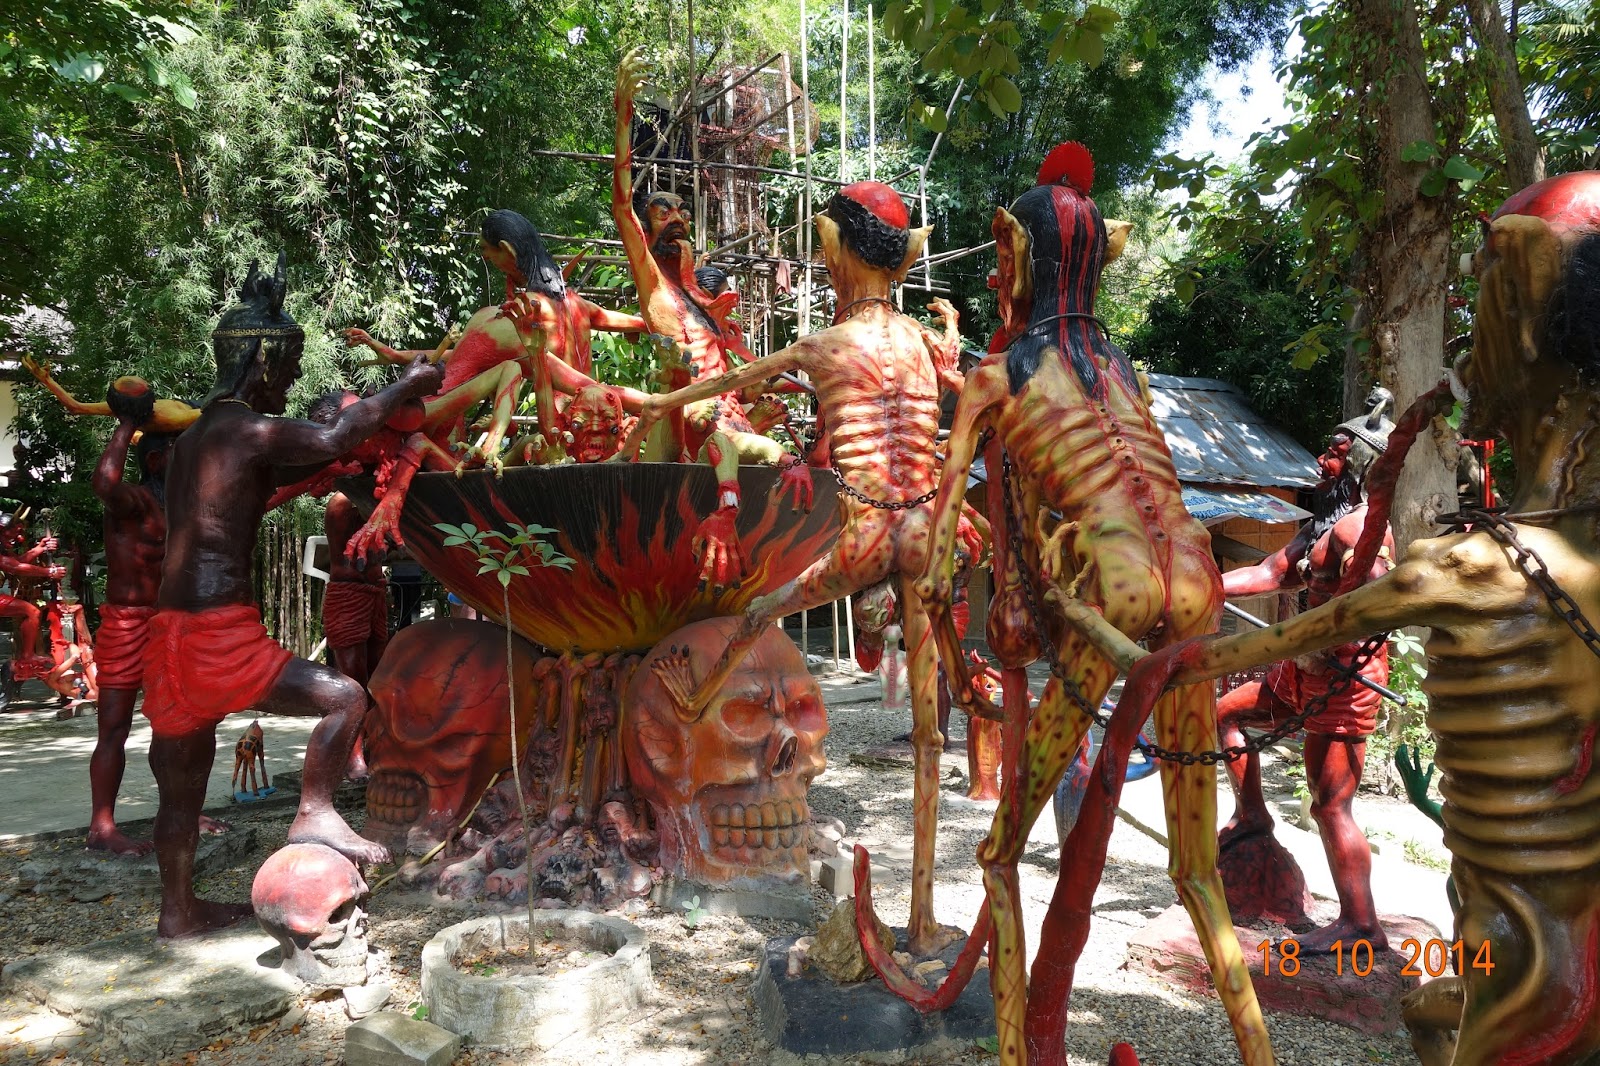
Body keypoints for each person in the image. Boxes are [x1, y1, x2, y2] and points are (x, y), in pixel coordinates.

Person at [618, 180, 978, 957]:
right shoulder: (920, 343)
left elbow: (721, 385)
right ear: (906, 262)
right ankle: (923, 917)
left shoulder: (822, 347)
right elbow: (968, 397)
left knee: (762, 613)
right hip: (925, 528)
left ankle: (701, 695)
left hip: (867, 533)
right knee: (926, 729)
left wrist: (649, 408)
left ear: (831, 248)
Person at [139, 254, 442, 937]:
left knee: (180, 786)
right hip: (218, 631)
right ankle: (314, 809)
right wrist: (406, 386)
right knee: (346, 698)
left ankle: (178, 910)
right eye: (292, 365)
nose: (297, 378)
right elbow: (336, 433)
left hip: (169, 636)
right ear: (263, 365)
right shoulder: (246, 428)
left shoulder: (193, 440)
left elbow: (312, 460)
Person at [1215, 389, 1397, 952]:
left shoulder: (1366, 530)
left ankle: (1360, 924)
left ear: (1362, 465)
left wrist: (1321, 641)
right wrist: (1205, 586)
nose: (1324, 460)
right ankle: (1252, 818)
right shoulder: (1326, 522)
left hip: (1342, 681)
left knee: (1331, 802)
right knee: (1223, 713)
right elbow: (1274, 571)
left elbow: (1371, 605)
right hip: (1300, 671)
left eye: (1337, 452)